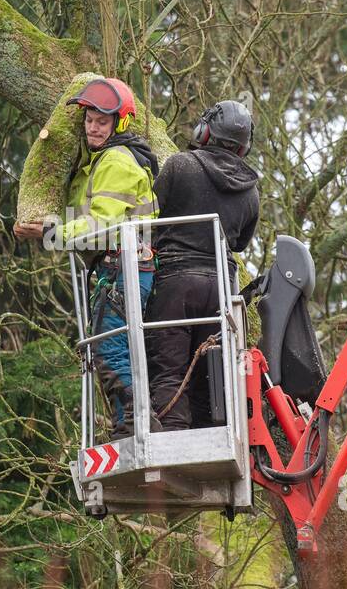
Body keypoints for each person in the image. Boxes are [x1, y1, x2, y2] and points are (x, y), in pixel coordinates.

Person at [14, 77, 159, 438]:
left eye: (102, 121)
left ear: (119, 123)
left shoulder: (117, 161)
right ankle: (131, 424)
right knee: (108, 347)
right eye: (90, 120)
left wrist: (50, 233)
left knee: (111, 348)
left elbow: (103, 224)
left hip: (125, 265)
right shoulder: (98, 161)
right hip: (115, 268)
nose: (93, 128)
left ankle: (136, 426)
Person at [144, 99, 259, 430]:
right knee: (212, 372)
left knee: (169, 367)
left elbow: (148, 215)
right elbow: (239, 243)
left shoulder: (180, 165)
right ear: (243, 146)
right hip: (222, 289)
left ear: (205, 131)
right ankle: (212, 437)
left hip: (176, 282)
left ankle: (174, 438)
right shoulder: (251, 191)